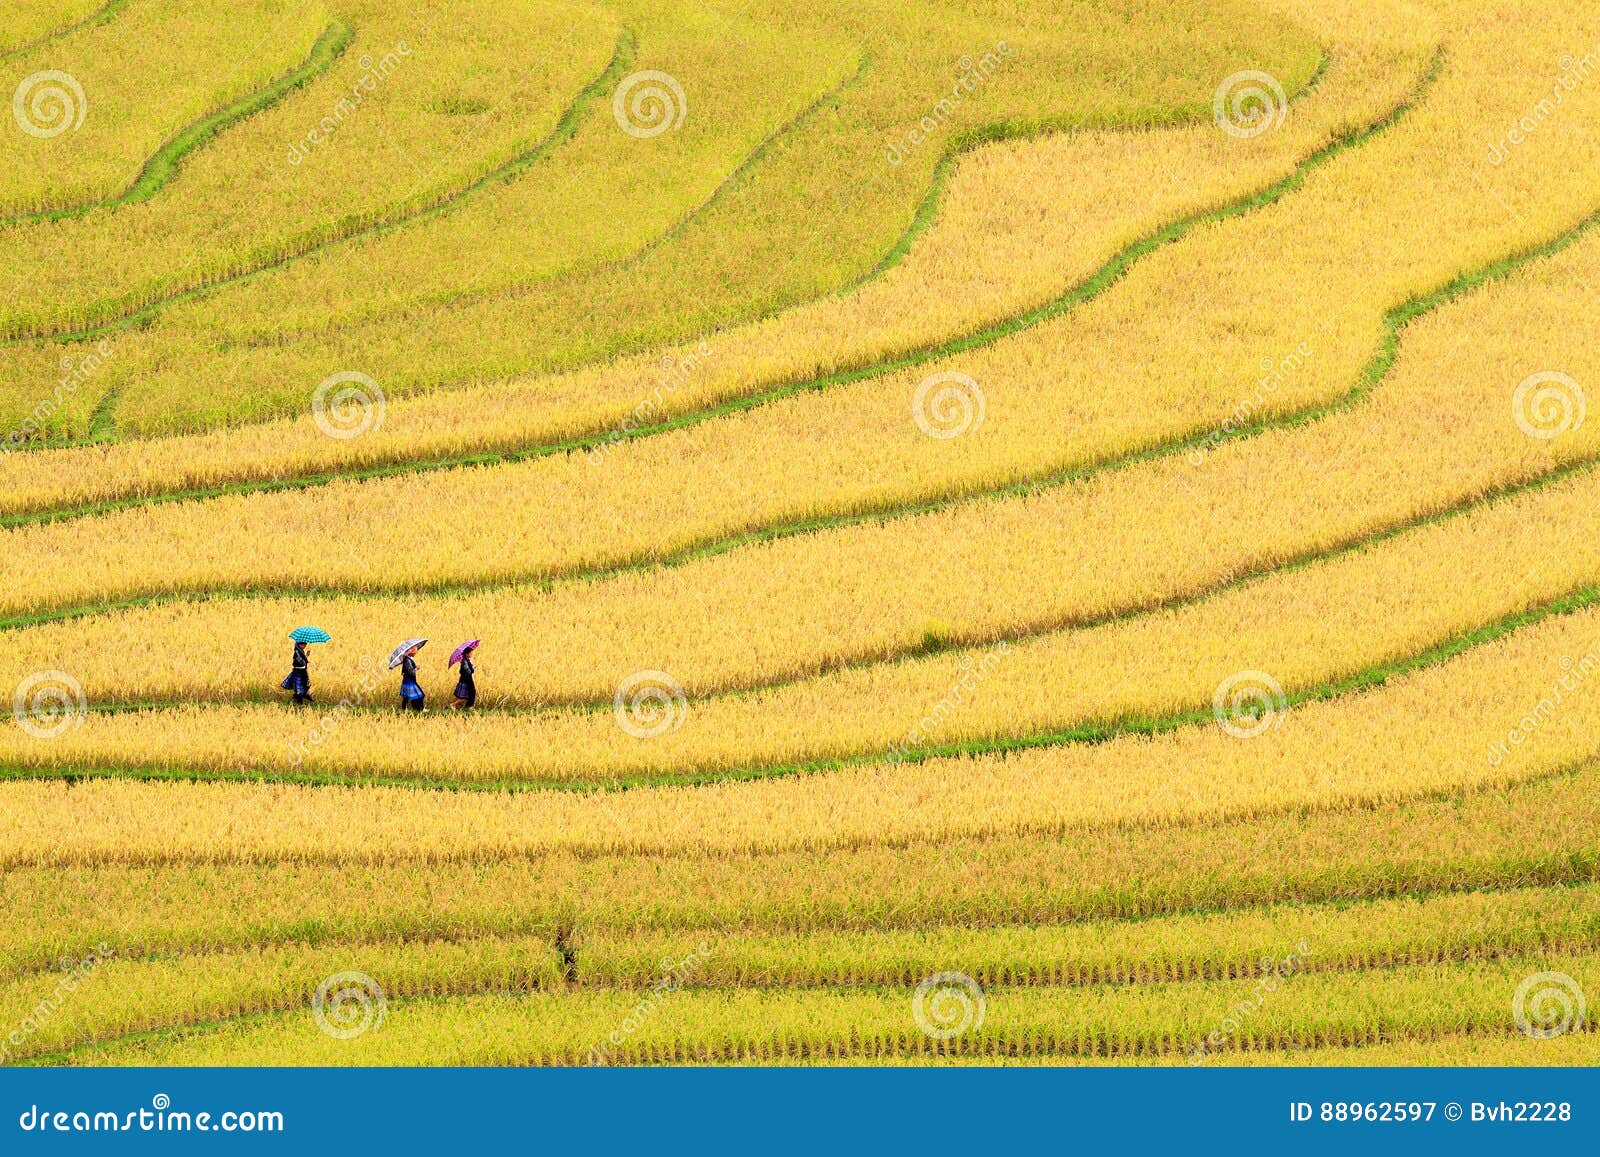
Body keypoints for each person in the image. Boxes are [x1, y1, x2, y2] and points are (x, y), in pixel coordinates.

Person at [281, 640, 312, 706]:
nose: (304, 646)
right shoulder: (297, 652)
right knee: (299, 686)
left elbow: (303, 660)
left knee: (303, 685)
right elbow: (300, 662)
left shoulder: (301, 651)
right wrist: (306, 658)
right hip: (298, 672)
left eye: (305, 644)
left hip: (302, 672)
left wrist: (306, 655)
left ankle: (299, 699)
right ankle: (299, 701)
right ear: (298, 644)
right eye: (303, 644)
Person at [399, 645, 426, 711]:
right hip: (409, 681)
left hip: (408, 680)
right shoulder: (407, 660)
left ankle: (404, 709)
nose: (416, 652)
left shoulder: (408, 659)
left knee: (406, 696)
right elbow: (410, 671)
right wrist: (416, 668)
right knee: (419, 695)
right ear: (412, 651)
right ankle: (419, 709)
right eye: (416, 651)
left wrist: (415, 667)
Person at [451, 644, 478, 709]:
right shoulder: (464, 662)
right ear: (466, 654)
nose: (472, 654)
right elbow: (468, 671)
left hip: (467, 680)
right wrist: (472, 668)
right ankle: (453, 705)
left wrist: (471, 667)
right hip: (466, 680)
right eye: (470, 653)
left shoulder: (466, 661)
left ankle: (468, 707)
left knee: (470, 693)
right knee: (465, 697)